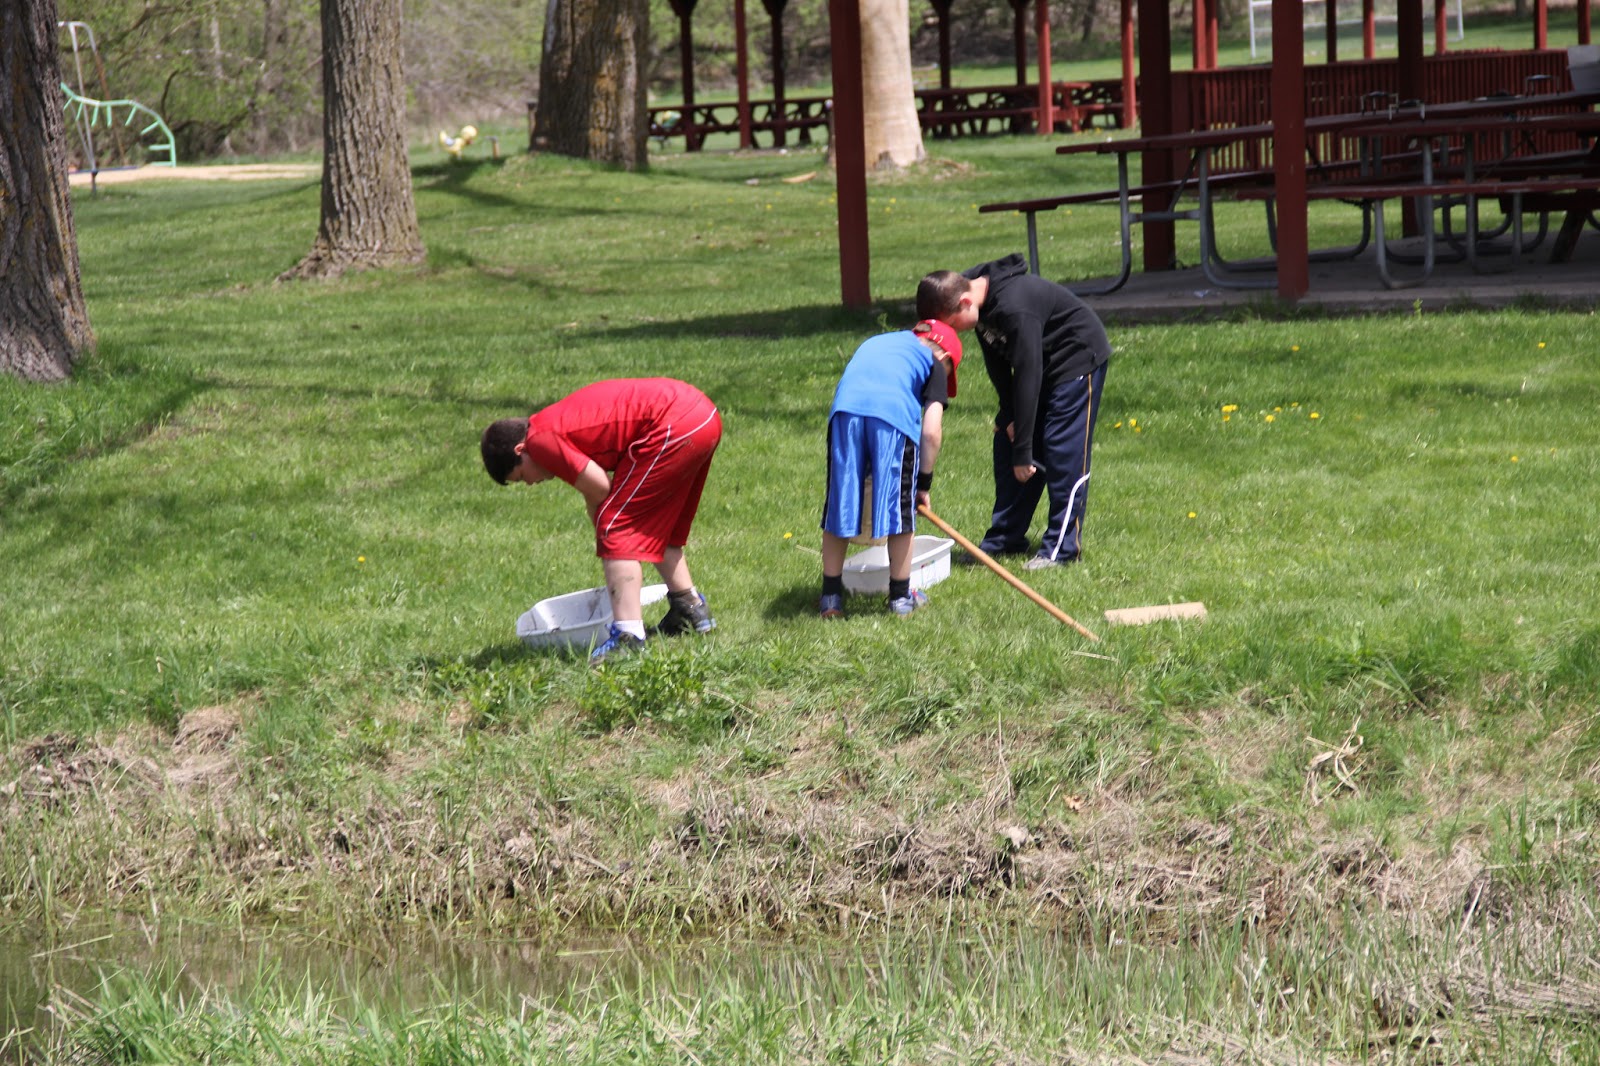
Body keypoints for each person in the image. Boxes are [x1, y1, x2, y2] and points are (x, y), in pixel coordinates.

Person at [480, 378, 722, 662]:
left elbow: (599, 487)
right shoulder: (550, 424)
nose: (531, 484)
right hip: (702, 415)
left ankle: (628, 637)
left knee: (617, 528)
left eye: (521, 477)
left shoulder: (539, 439)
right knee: (657, 529)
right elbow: (595, 488)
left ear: (520, 450)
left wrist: (609, 537)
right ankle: (689, 609)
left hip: (674, 423)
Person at [918, 254, 1110, 570]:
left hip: (1075, 360)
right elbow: (998, 361)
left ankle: (1061, 549)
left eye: (951, 327)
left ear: (965, 303)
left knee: (1062, 450)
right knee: (1005, 440)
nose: (953, 335)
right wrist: (1009, 417)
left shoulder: (1014, 307)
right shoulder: (971, 298)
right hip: (1036, 368)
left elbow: (1027, 372)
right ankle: (1005, 539)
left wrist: (1025, 450)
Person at [818, 319, 964, 618]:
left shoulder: (877, 341)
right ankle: (900, 597)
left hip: (845, 415)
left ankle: (830, 598)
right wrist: (923, 483)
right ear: (945, 357)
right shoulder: (934, 363)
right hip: (892, 420)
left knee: (841, 503)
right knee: (900, 509)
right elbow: (931, 431)